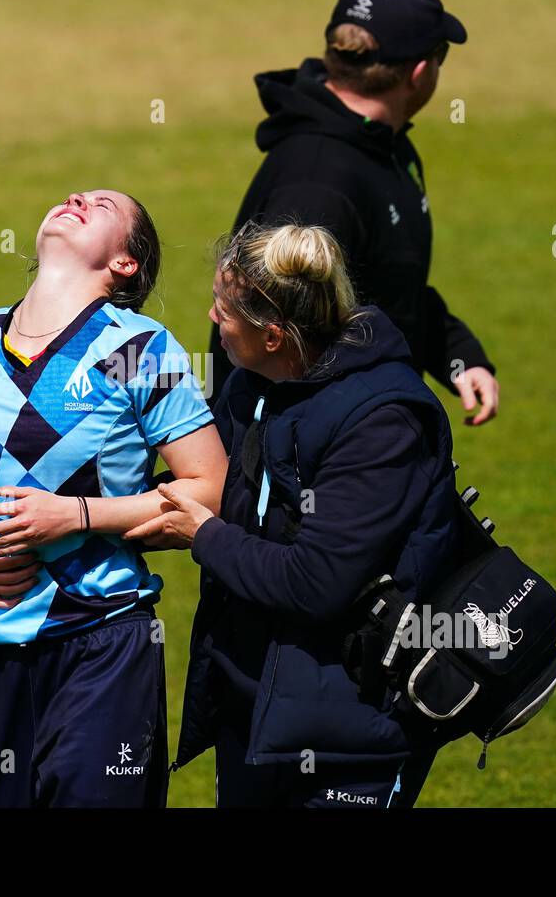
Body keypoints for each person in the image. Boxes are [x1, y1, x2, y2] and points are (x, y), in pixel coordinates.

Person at [127, 222, 459, 807]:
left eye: (224, 310)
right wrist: (79, 515)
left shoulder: (383, 421)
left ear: (274, 334)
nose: (211, 318)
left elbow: (316, 582)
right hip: (254, 708)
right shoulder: (252, 385)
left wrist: (202, 534)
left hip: (348, 730)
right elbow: (212, 489)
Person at [0, 189, 226, 807]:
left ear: (125, 264)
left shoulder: (141, 349)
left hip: (103, 645)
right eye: (76, 196)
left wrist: (76, 516)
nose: (77, 199)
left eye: (102, 206)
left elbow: (210, 490)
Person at [208, 0, 499, 428]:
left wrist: (457, 354)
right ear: (421, 71)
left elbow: (386, 282)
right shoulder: (317, 185)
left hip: (355, 428)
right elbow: (267, 341)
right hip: (318, 455)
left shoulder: (382, 145)